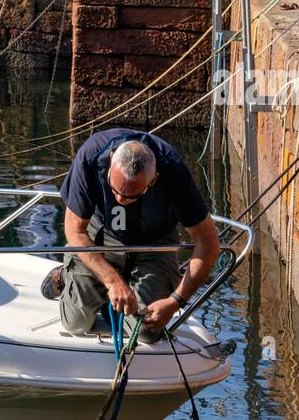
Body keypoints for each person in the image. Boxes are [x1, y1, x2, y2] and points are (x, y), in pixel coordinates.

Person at [41, 130, 221, 344]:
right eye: (114, 189)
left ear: (153, 179)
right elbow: (74, 230)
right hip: (101, 235)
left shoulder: (174, 171)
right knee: (76, 324)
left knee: (147, 332)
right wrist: (112, 281)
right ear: (110, 160)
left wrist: (176, 301)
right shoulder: (91, 155)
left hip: (153, 243)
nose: (119, 198)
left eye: (130, 195)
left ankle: (123, 290)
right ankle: (65, 276)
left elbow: (208, 243)